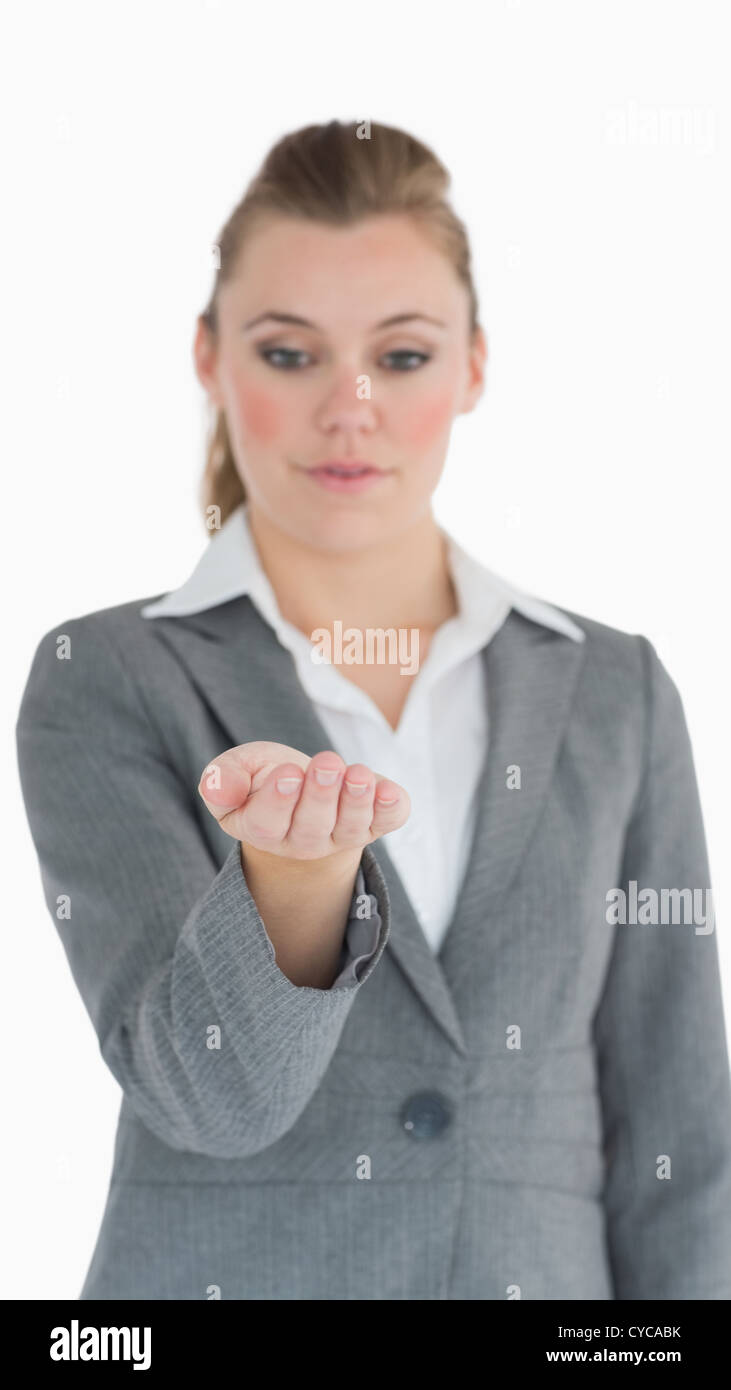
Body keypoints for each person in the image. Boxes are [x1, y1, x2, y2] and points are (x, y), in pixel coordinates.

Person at [16, 118, 731, 1301]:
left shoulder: (616, 691)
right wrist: (293, 895)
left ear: (473, 365)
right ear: (208, 358)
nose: (348, 410)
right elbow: (205, 1096)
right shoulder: (102, 676)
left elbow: (682, 1132)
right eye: (289, 354)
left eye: (399, 357)